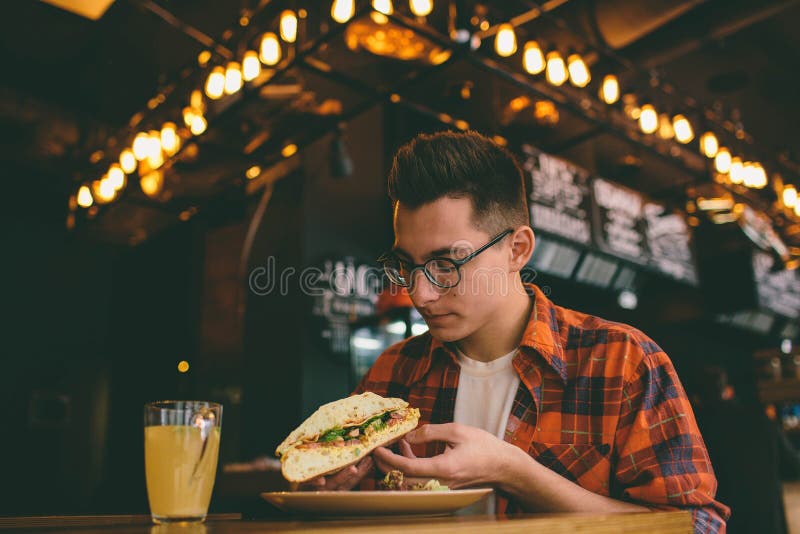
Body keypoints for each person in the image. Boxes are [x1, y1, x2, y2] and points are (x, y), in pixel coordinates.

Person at [305, 131, 730, 532]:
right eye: (406, 266)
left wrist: (515, 472)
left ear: (518, 249)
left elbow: (696, 526)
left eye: (446, 264)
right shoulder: (393, 372)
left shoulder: (622, 361)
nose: (420, 293)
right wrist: (332, 492)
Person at [689, 365, 800, 533]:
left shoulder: (696, 433)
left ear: (694, 399)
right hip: (769, 525)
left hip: (726, 526)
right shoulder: (761, 421)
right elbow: (793, 466)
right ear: (729, 390)